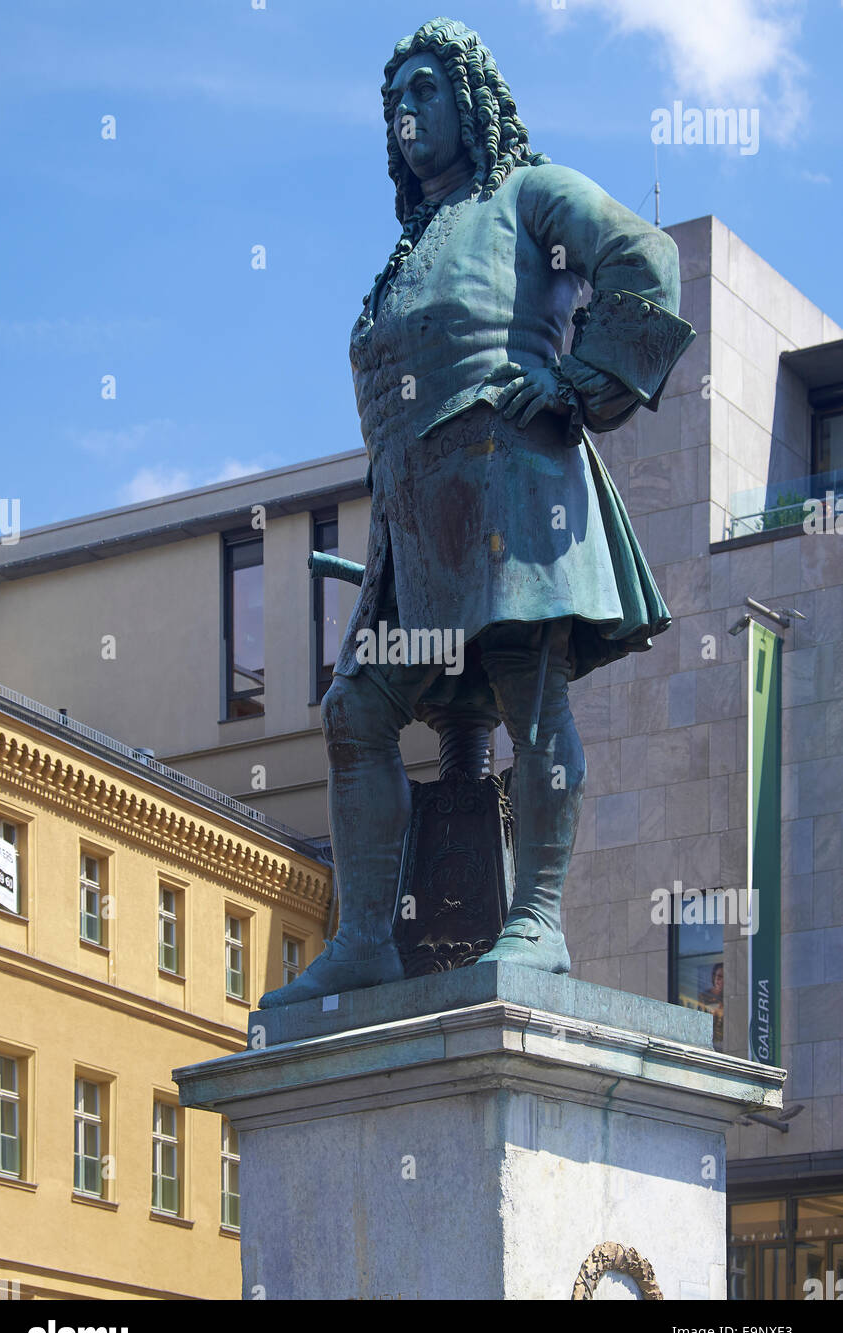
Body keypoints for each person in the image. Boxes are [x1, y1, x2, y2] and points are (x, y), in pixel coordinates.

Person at [259, 17, 694, 1009]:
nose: (405, 113)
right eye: (392, 103)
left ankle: (536, 920)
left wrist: (579, 383)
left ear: (470, 99)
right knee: (357, 710)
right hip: (413, 519)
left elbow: (645, 258)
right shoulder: (409, 247)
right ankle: (366, 939)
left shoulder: (528, 195)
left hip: (510, 488)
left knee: (529, 692)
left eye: (424, 91)